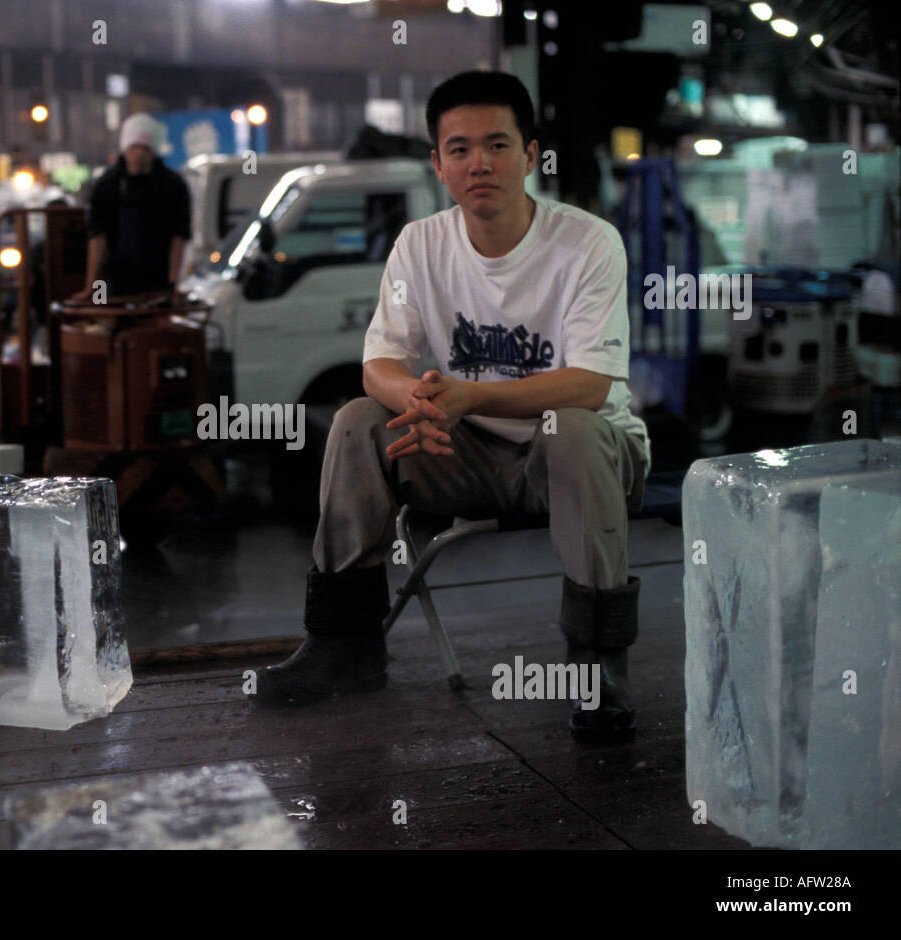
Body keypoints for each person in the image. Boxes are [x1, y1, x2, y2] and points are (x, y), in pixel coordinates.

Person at [253, 71, 652, 734]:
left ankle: (599, 664)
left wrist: (468, 398)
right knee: (357, 421)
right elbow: (377, 364)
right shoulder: (419, 245)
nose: (479, 164)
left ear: (530, 154)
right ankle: (344, 645)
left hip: (583, 462)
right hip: (462, 452)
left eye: (498, 145)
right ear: (438, 165)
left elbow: (590, 383)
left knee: (572, 428)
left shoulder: (587, 243)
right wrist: (422, 401)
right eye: (460, 149)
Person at [73, 113, 190, 300]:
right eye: (134, 147)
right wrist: (92, 288)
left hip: (158, 279)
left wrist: (172, 283)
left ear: (155, 151)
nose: (140, 153)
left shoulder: (173, 185)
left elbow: (179, 236)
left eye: (146, 148)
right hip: (115, 280)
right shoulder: (107, 185)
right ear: (125, 148)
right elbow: (98, 238)